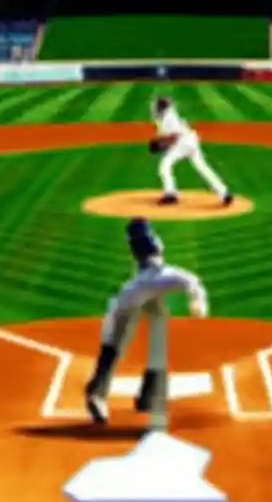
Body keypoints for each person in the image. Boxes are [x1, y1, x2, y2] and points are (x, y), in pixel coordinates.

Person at [84, 217, 209, 425]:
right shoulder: (163, 274)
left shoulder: (146, 268)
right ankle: (100, 393)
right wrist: (198, 305)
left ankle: (141, 395)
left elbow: (189, 282)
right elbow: (192, 282)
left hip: (134, 295)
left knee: (116, 345)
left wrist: (197, 300)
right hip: (133, 297)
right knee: (121, 344)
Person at [151, 95, 233, 206]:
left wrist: (161, 145)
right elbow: (169, 136)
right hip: (190, 141)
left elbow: (174, 137)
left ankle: (170, 194)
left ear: (161, 107)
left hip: (183, 143)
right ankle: (224, 193)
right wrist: (161, 142)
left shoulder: (168, 117)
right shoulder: (167, 116)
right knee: (202, 167)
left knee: (165, 165)